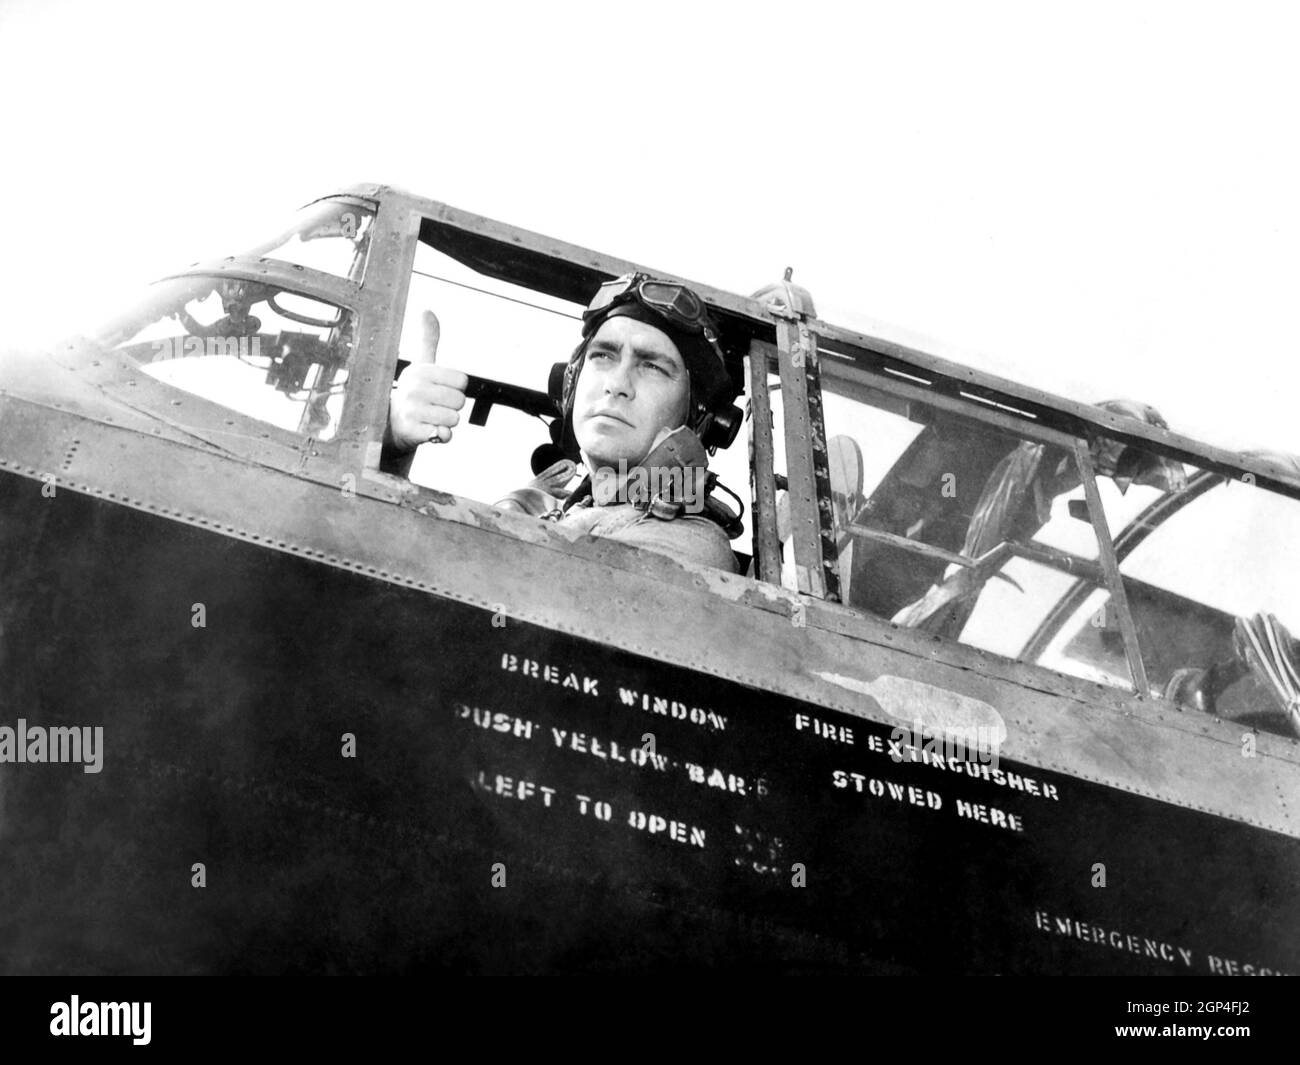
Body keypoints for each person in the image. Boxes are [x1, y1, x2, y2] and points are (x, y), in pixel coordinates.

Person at [381, 273, 743, 573]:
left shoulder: (689, 544)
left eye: (652, 366)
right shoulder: (574, 509)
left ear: (699, 418)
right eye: (603, 356)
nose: (616, 384)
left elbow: (454, 589)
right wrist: (391, 444)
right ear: (570, 384)